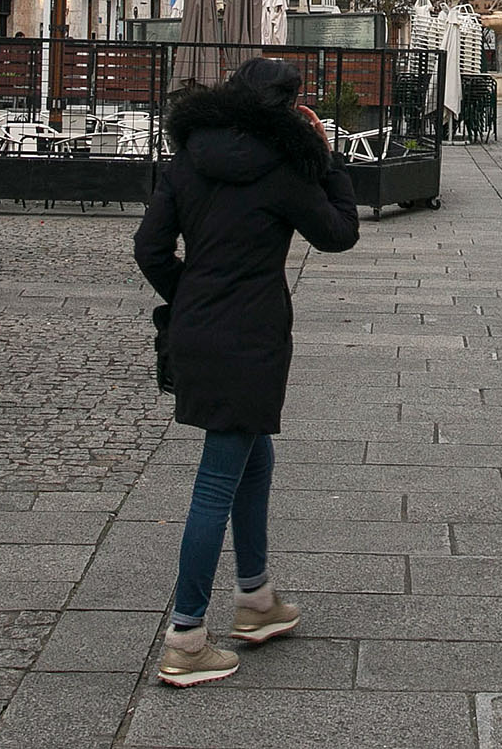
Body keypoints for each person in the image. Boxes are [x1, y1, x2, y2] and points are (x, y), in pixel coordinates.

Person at [133, 57, 359, 687]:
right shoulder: (282, 168)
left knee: (253, 457)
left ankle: (256, 598)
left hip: (196, 330)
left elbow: (149, 249)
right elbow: (339, 233)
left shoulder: (188, 158)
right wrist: (325, 158)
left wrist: (189, 296)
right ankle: (186, 636)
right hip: (251, 335)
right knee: (216, 481)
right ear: (286, 110)